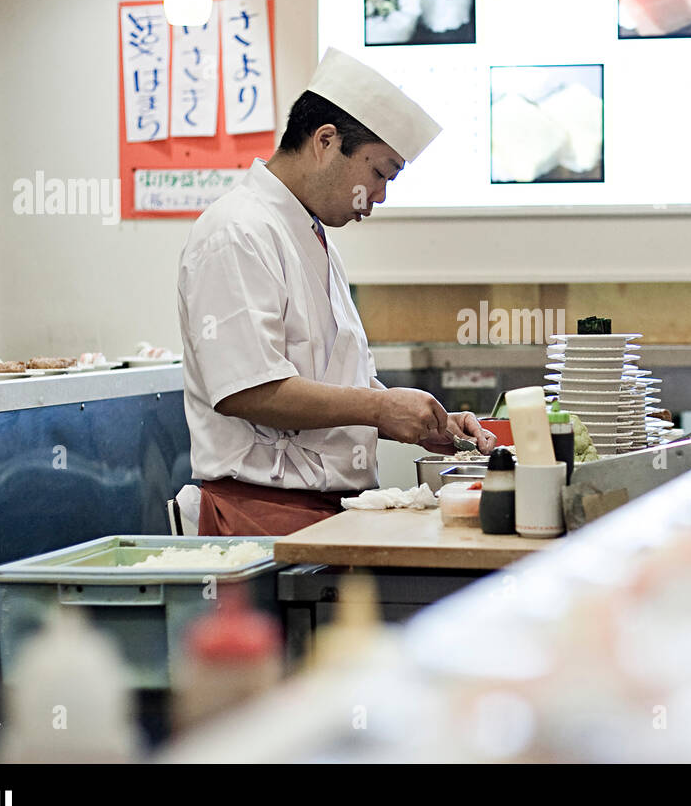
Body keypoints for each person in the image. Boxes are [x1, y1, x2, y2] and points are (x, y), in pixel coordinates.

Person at [177, 47, 496, 536]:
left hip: (326, 511)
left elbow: (335, 381)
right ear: (326, 141)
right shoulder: (237, 230)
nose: (382, 196)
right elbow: (248, 389)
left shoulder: (310, 235)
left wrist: (427, 422)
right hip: (260, 515)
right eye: (379, 173)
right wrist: (379, 409)